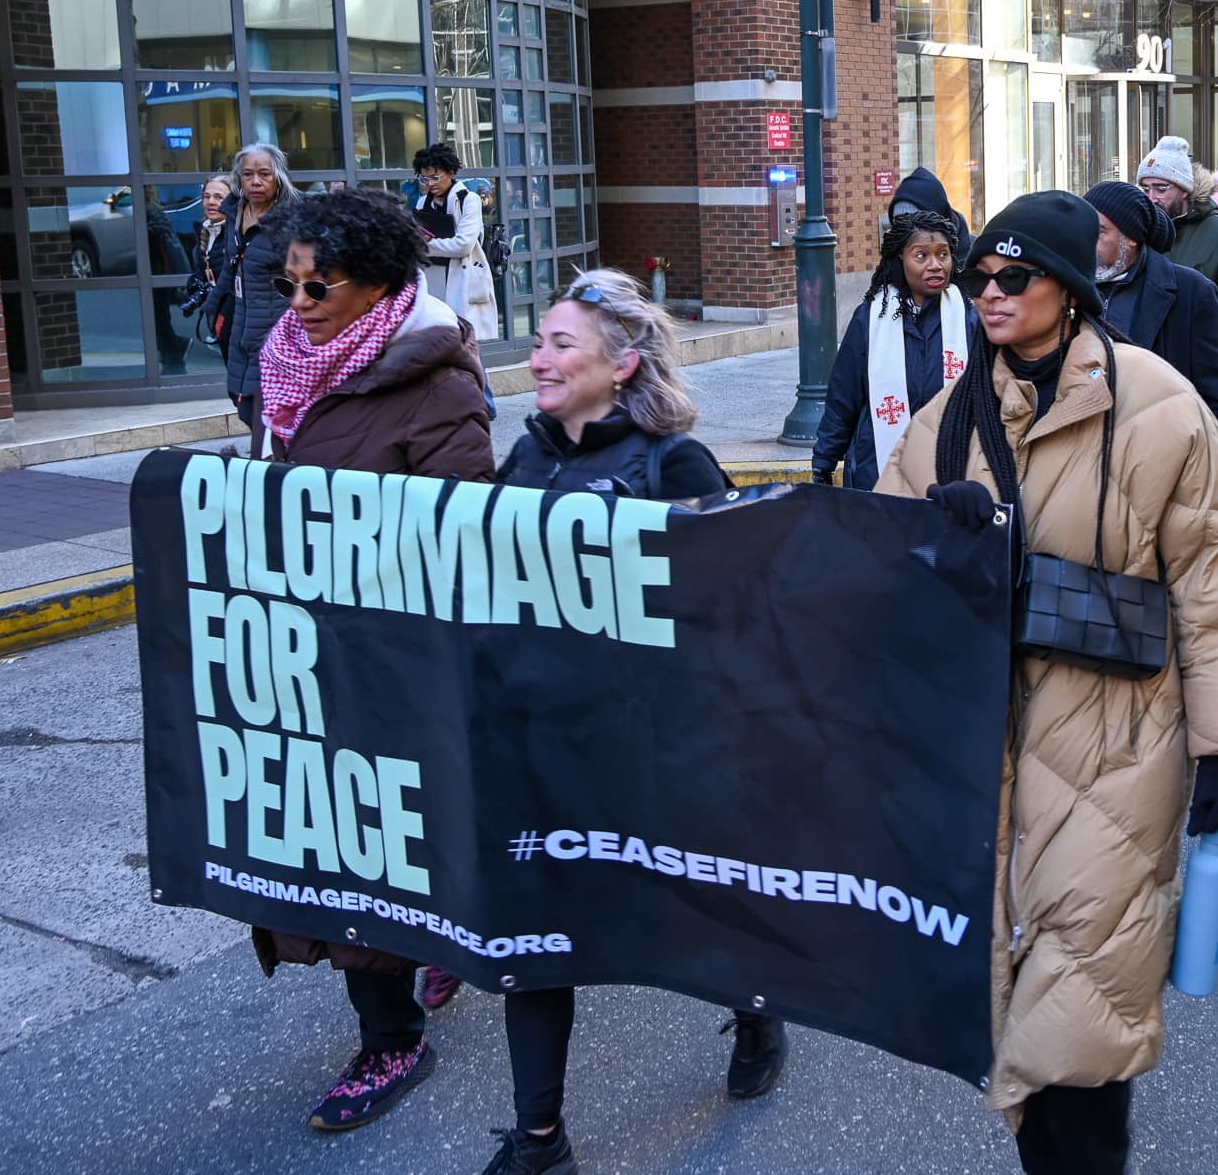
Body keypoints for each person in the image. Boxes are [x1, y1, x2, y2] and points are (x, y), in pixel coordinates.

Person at [875, 190, 1218, 1175]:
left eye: (1012, 277)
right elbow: (876, 577)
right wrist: (935, 546)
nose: (988, 294)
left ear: (1066, 288)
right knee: (1018, 1006)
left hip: (1117, 751)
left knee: (1083, 1013)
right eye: (979, 278)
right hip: (989, 755)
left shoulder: (1158, 404)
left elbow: (1217, 586)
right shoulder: (944, 424)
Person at [478, 269, 785, 1175]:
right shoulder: (526, 456)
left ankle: (759, 1011)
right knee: (529, 936)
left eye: (560, 344)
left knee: (700, 909)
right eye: (538, 340)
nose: (538, 357)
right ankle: (540, 1137)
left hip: (655, 750)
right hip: (542, 746)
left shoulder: (673, 463)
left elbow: (741, 595)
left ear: (622, 365)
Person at [250, 187, 495, 1131]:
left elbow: (460, 530)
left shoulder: (437, 384)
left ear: (384, 286)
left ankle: (392, 1040)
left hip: (391, 659)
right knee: (325, 837)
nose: (299, 304)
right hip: (308, 649)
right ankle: (433, 954)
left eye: (321, 286)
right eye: (289, 283)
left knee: (373, 845)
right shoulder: (287, 370)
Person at [1083, 180, 1218, 477]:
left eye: (1099, 231)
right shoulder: (1067, 290)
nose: (1085, 241)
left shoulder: (1189, 292)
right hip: (1086, 470)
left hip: (1163, 471)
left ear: (1130, 238)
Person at [814, 210, 974, 490]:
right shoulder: (869, 319)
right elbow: (844, 398)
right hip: (875, 470)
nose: (935, 265)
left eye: (943, 255)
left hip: (950, 474)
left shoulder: (968, 318)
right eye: (922, 255)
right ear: (901, 259)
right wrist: (823, 463)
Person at [199, 143, 297, 427]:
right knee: (239, 398)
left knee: (264, 403)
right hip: (239, 322)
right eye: (248, 174)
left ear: (278, 176)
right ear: (238, 178)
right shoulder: (235, 213)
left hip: (276, 326)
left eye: (264, 174)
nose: (256, 181)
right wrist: (212, 306)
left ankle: (275, 459)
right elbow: (231, 267)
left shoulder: (291, 218)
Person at [1138, 135, 1218, 300]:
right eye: (1146, 189)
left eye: (1161, 189)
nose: (1151, 198)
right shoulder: (1140, 234)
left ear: (1185, 190)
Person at [413, 142, 502, 345]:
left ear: (451, 173)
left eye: (436, 177)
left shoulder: (468, 200)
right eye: (425, 178)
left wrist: (425, 245)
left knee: (466, 350)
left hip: (461, 279)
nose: (430, 183)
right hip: (432, 280)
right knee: (435, 346)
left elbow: (463, 245)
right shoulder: (422, 202)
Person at [178, 173, 234, 359]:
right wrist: (196, 286)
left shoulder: (237, 236)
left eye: (219, 197)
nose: (211, 202)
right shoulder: (205, 232)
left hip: (237, 320)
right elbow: (201, 275)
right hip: (217, 317)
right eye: (207, 196)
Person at [889, 166, 973, 270]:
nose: (907, 230)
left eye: (917, 221)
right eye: (899, 222)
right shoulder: (893, 263)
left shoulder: (978, 258)